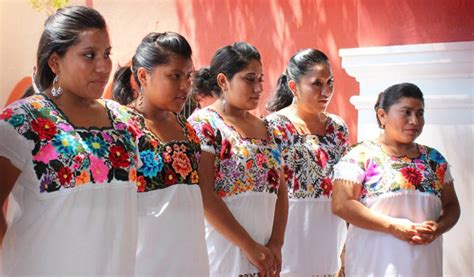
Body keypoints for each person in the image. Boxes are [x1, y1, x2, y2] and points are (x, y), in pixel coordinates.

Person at [0, 6, 141, 275]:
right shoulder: (22, 121)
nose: (103, 66)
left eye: (107, 54)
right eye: (89, 55)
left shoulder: (124, 122)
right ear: (55, 62)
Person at [332, 83, 461, 276]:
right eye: (406, 112)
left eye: (420, 113)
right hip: (373, 267)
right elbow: (341, 204)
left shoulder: (435, 160)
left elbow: (452, 206)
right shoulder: (360, 155)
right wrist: (393, 226)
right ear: (382, 115)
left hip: (425, 267)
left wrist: (437, 227)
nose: (414, 121)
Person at [112, 31, 209, 276]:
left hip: (191, 262)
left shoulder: (188, 129)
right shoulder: (120, 127)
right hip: (142, 265)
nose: (185, 86)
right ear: (144, 76)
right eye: (175, 76)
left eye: (188, 76)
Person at [188, 42, 288, 276]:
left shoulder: (268, 128)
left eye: (261, 79)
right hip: (225, 251)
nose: (258, 87)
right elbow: (205, 193)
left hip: (264, 253)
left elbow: (280, 191)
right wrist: (247, 245)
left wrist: (276, 244)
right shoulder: (204, 125)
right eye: (249, 79)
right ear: (223, 81)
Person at [265, 48, 349, 276]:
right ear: (293, 87)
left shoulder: (338, 128)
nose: (327, 91)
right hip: (290, 229)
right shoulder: (273, 127)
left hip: (331, 229)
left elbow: (345, 185)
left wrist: (346, 249)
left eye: (330, 82)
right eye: (317, 84)